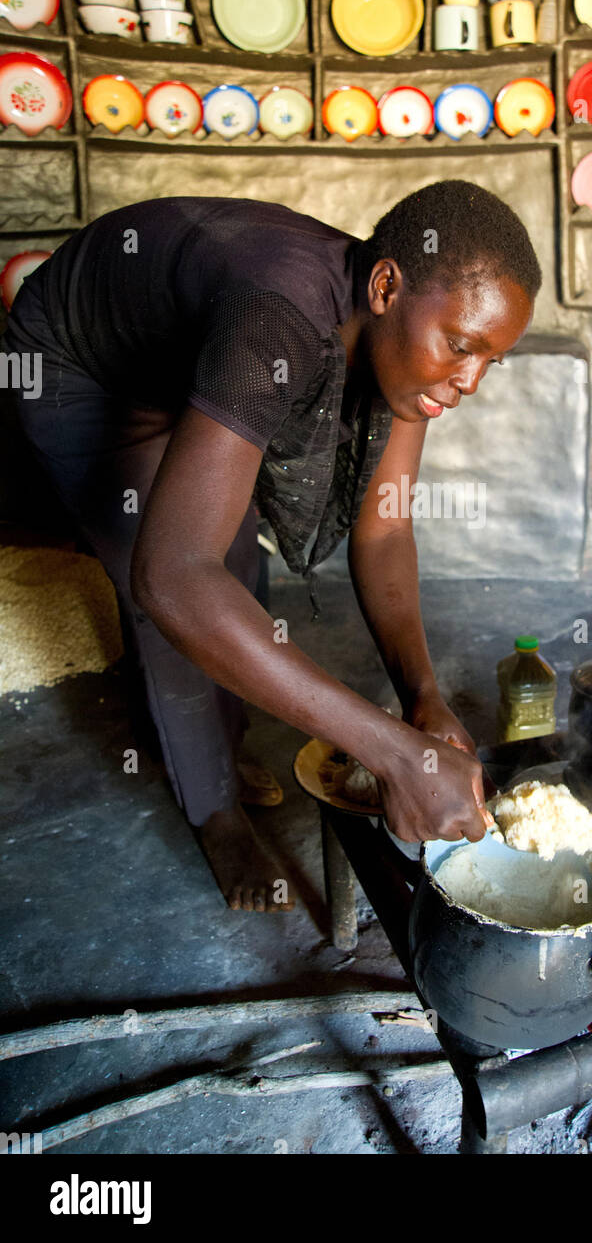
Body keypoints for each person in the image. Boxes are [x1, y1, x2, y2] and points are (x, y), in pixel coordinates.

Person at [2, 180, 541, 912]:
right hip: (87, 368)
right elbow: (174, 577)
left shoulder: (406, 350)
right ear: (386, 286)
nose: (470, 380)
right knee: (170, 573)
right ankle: (216, 813)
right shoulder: (276, 316)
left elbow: (384, 527)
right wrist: (389, 752)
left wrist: (422, 699)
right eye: (462, 347)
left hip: (191, 358)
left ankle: (220, 749)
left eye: (491, 361)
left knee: (234, 559)